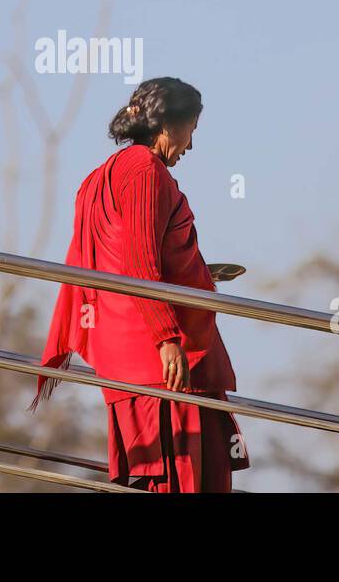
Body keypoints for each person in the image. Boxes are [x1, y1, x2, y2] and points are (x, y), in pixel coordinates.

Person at [31, 77, 249, 492]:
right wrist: (167, 337)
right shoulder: (144, 169)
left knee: (158, 477)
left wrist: (200, 272)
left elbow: (117, 256)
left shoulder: (98, 176)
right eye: (191, 132)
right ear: (167, 125)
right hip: (162, 364)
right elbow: (138, 259)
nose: (190, 145)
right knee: (181, 478)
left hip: (129, 359)